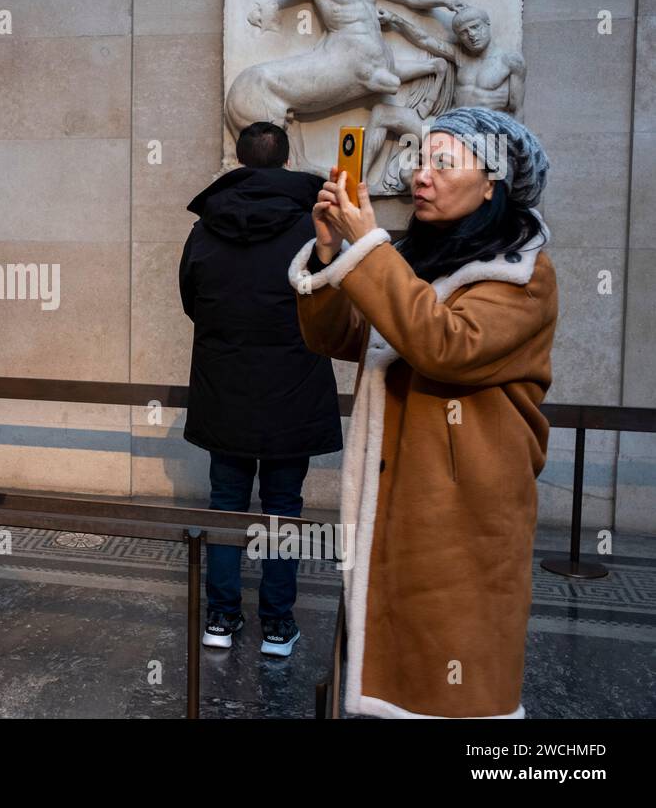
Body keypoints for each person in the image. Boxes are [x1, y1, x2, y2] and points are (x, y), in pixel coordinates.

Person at [289, 105, 557, 718]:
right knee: (386, 649)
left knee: (451, 675)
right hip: (397, 496)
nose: (420, 176)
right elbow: (338, 337)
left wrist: (370, 249)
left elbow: (445, 347)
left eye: (443, 162)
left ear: (493, 183)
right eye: (419, 160)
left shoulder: (522, 275)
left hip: (461, 511)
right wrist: (333, 253)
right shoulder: (412, 259)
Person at [179, 122, 343, 657]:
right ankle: (276, 624)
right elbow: (332, 303)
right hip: (292, 391)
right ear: (287, 160)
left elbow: (192, 302)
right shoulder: (312, 227)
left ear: (239, 159)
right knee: (283, 507)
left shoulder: (204, 230)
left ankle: (221, 621)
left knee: (225, 505)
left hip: (224, 385)